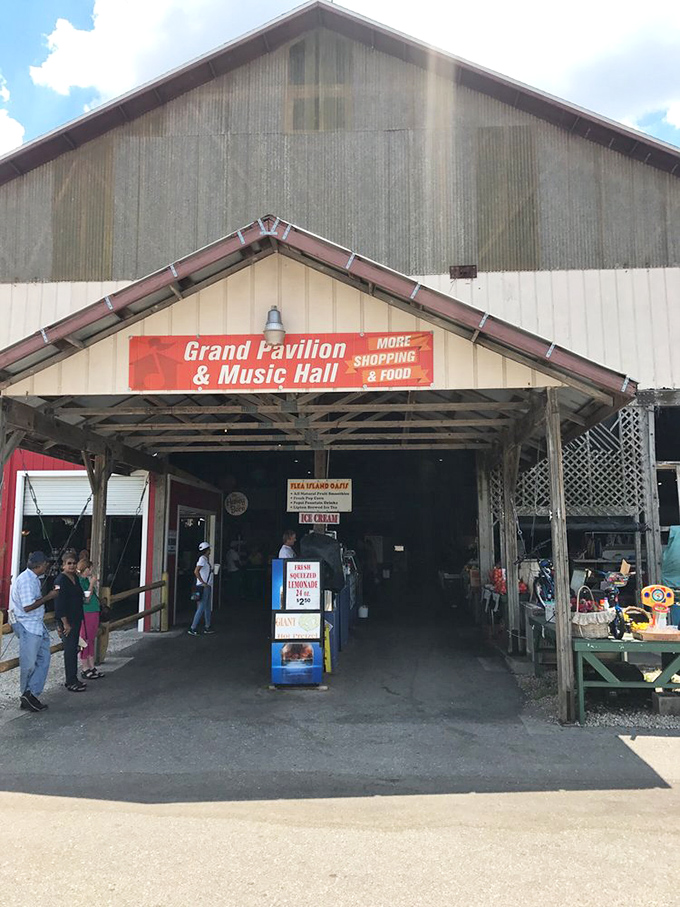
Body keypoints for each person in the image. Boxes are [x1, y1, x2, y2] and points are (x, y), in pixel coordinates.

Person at [8, 551, 58, 712]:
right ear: (39, 565)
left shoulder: (33, 579)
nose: (47, 567)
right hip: (27, 625)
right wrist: (49, 597)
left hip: (37, 625)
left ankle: (32, 693)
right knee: (29, 663)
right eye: (45, 564)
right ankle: (26, 695)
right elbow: (28, 606)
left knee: (44, 659)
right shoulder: (27, 581)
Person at [54, 553, 87, 692]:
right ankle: (70, 681)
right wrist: (64, 623)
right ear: (63, 565)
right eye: (69, 563)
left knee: (74, 649)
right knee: (69, 649)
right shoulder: (60, 580)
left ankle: (74, 678)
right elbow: (59, 602)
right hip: (67, 620)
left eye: (74, 563)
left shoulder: (75, 578)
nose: (72, 566)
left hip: (76, 617)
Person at [77, 557, 104, 680]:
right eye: (90, 569)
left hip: (93, 611)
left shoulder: (86, 580)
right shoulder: (81, 581)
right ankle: (85, 667)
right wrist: (92, 584)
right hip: (86, 612)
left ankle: (92, 666)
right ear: (86, 569)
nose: (91, 571)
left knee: (91, 638)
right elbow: (86, 598)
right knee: (85, 639)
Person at [188, 541, 214, 636]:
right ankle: (193, 627)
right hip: (203, 586)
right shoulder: (202, 559)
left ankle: (207, 626)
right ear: (206, 550)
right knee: (202, 607)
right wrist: (203, 582)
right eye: (209, 549)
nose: (210, 550)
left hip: (206, 585)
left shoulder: (205, 559)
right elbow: (196, 571)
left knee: (206, 607)